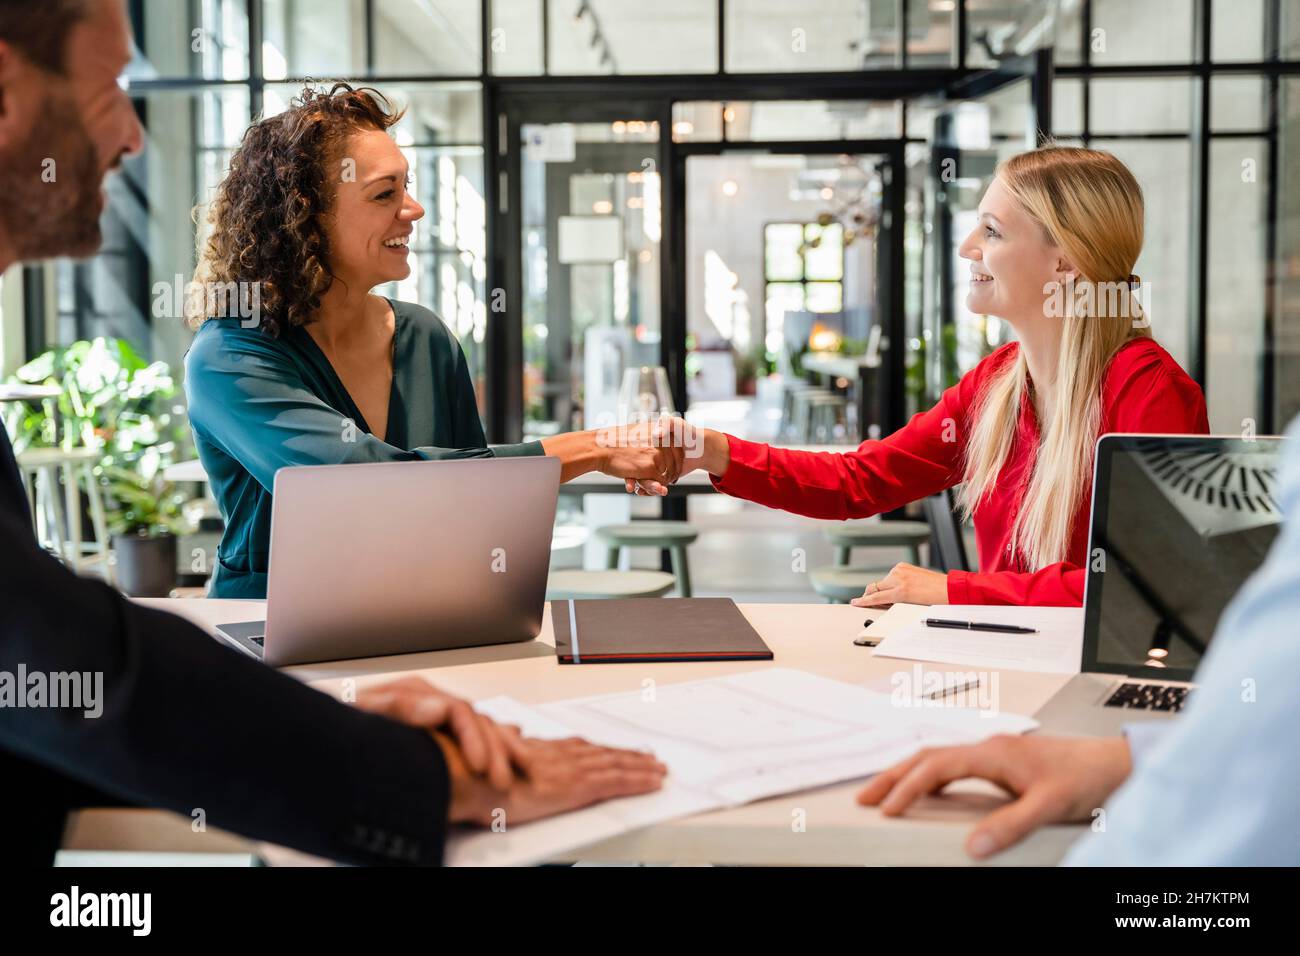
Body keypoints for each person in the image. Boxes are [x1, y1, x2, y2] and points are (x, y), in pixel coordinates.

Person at [0, 0, 664, 867]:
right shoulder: (233, 354)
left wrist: (335, 731)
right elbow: (63, 668)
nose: (133, 137)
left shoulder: (423, 335)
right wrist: (381, 762)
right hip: (281, 644)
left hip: (434, 650)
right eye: (109, 89)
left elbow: (46, 684)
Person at [183, 82, 686, 599]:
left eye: (408, 186)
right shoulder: (229, 356)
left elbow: (473, 495)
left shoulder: (424, 337)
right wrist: (593, 447)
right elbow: (365, 489)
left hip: (422, 619)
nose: (414, 209)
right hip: (265, 646)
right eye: (385, 193)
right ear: (305, 219)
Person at [643, 147, 1208, 607]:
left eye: (991, 230)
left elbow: (1146, 584)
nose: (968, 248)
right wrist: (710, 450)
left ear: (1065, 261)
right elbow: (859, 481)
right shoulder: (997, 384)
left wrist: (950, 589)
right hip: (1008, 667)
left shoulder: (1151, 393)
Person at [857, 416, 1300, 865]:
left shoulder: (1147, 389)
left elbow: (1261, 765)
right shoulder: (1001, 383)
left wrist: (962, 588)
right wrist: (1123, 761)